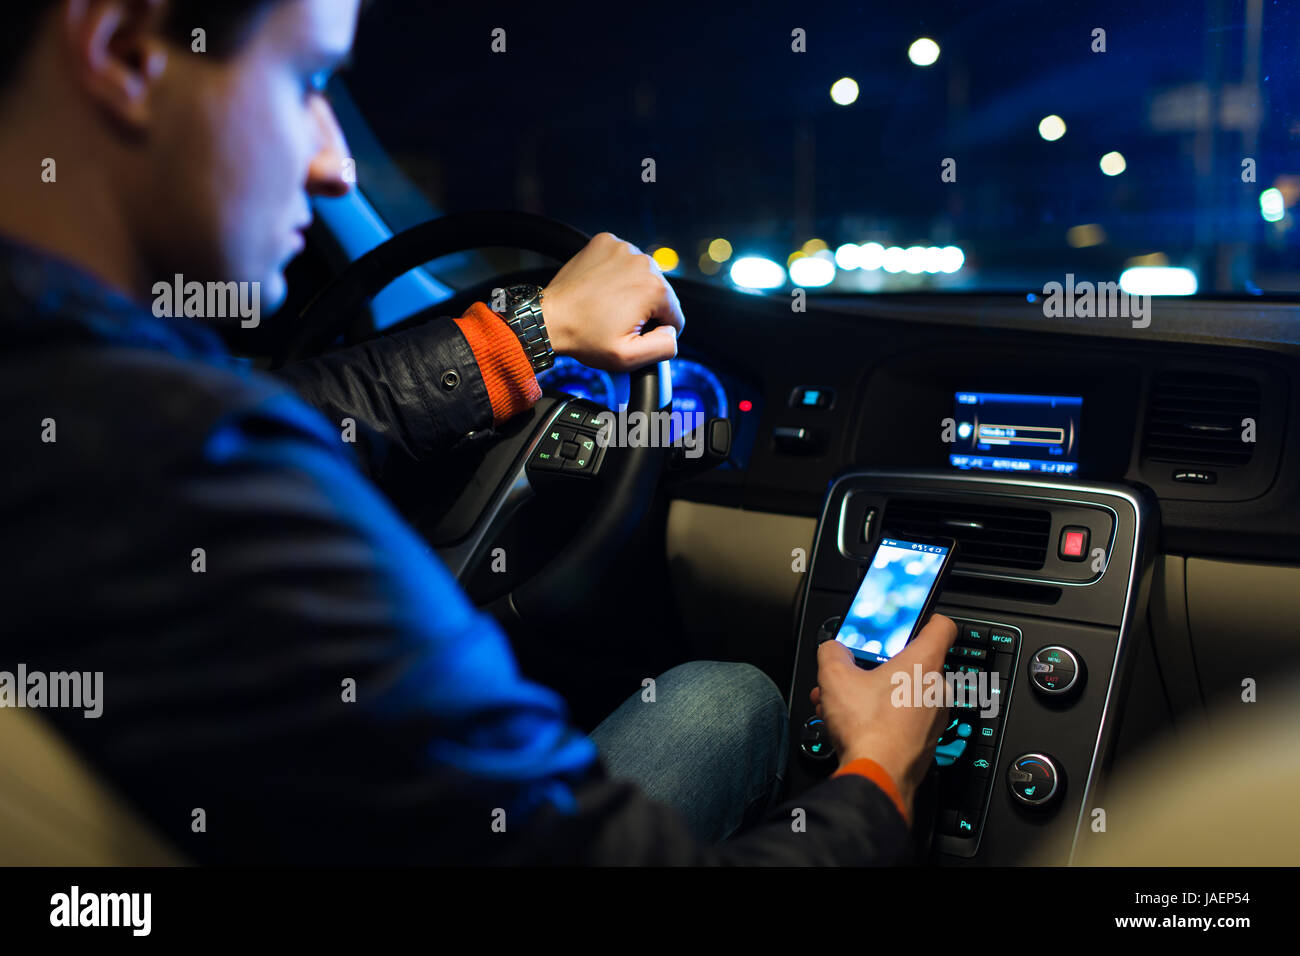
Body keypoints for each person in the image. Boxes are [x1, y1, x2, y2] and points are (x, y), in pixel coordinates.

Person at [0, 0, 951, 864]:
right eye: (305, 83)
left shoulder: (81, 403)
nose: (333, 161)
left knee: (716, 698)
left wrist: (530, 332)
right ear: (124, 52)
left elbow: (310, 407)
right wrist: (875, 779)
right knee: (732, 696)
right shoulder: (201, 474)